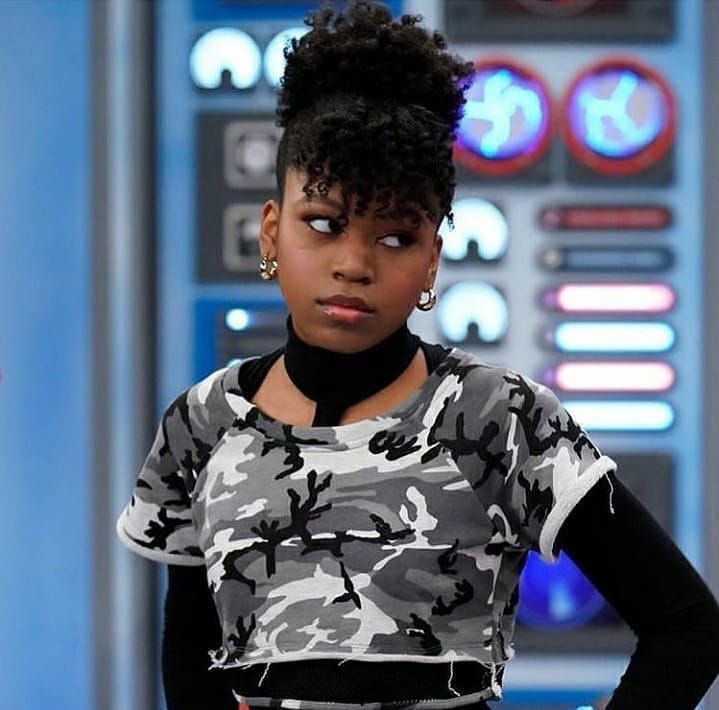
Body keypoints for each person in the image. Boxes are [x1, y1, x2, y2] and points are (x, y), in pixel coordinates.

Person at [116, 2, 719, 708]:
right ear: (271, 232)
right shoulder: (202, 422)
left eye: (396, 237)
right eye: (324, 224)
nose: (353, 263)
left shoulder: (498, 416)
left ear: (432, 257)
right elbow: (191, 660)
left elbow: (689, 627)